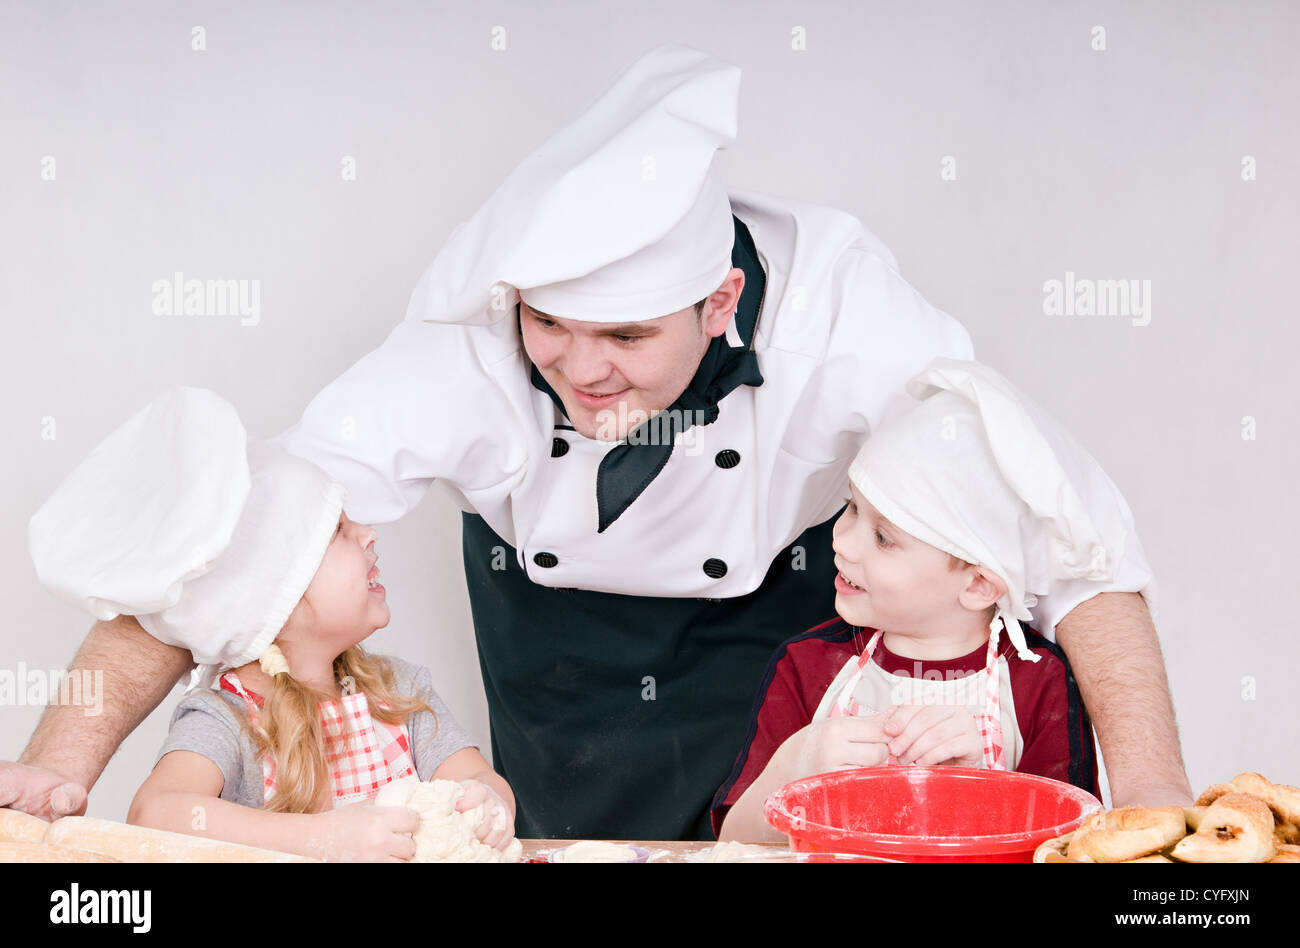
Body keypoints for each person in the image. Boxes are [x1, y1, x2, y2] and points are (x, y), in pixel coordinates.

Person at [3, 44, 1190, 838]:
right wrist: (54, 767)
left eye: (623, 333)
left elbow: (1067, 546)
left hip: (768, 621)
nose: (576, 368)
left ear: (718, 303)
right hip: (553, 643)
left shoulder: (849, 319)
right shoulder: (463, 353)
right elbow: (225, 543)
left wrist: (1150, 797)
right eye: (549, 327)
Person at [26, 387, 515, 861]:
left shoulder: (400, 692)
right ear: (275, 604)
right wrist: (323, 840)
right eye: (339, 532)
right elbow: (154, 814)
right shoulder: (228, 721)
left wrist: (491, 804)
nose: (368, 534)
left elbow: (479, 780)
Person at [714, 359, 1139, 840]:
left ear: (979, 585)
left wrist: (984, 786)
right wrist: (795, 766)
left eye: (883, 539)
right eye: (852, 508)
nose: (842, 541)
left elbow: (1069, 847)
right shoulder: (807, 665)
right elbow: (735, 842)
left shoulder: (1040, 682)